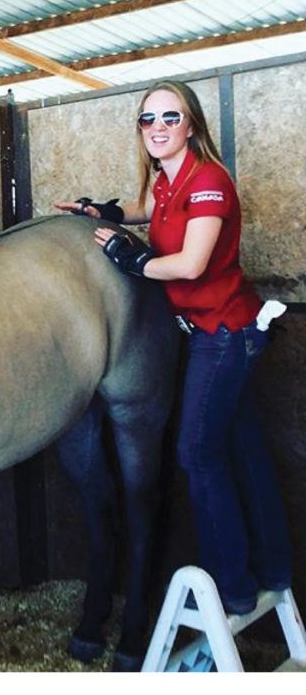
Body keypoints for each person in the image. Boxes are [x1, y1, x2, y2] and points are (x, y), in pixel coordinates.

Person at [56, 79, 292, 614]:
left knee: (196, 455)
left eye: (170, 118)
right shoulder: (168, 181)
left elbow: (190, 263)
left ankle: (233, 588)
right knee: (245, 451)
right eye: (148, 120)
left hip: (225, 334)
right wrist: (107, 215)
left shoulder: (209, 180)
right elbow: (151, 212)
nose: (158, 128)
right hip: (216, 332)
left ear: (192, 126)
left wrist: (130, 258)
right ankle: (274, 568)